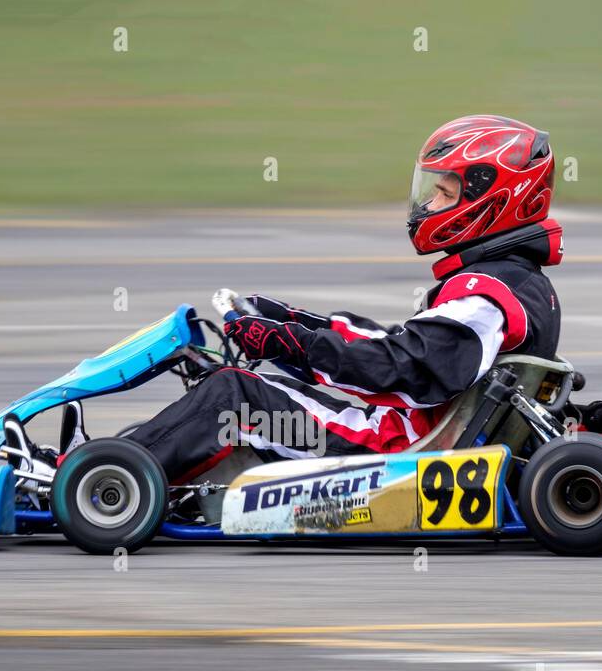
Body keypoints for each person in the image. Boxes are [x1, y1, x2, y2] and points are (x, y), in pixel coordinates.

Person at [126, 114, 566, 483]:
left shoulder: (483, 298)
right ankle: (134, 463)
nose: (430, 204)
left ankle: (106, 477)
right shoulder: (511, 283)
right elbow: (401, 345)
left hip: (395, 449)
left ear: (495, 203)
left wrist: (291, 344)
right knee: (233, 390)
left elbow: (403, 370)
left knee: (231, 394)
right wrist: (298, 323)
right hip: (409, 434)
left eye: (445, 194)